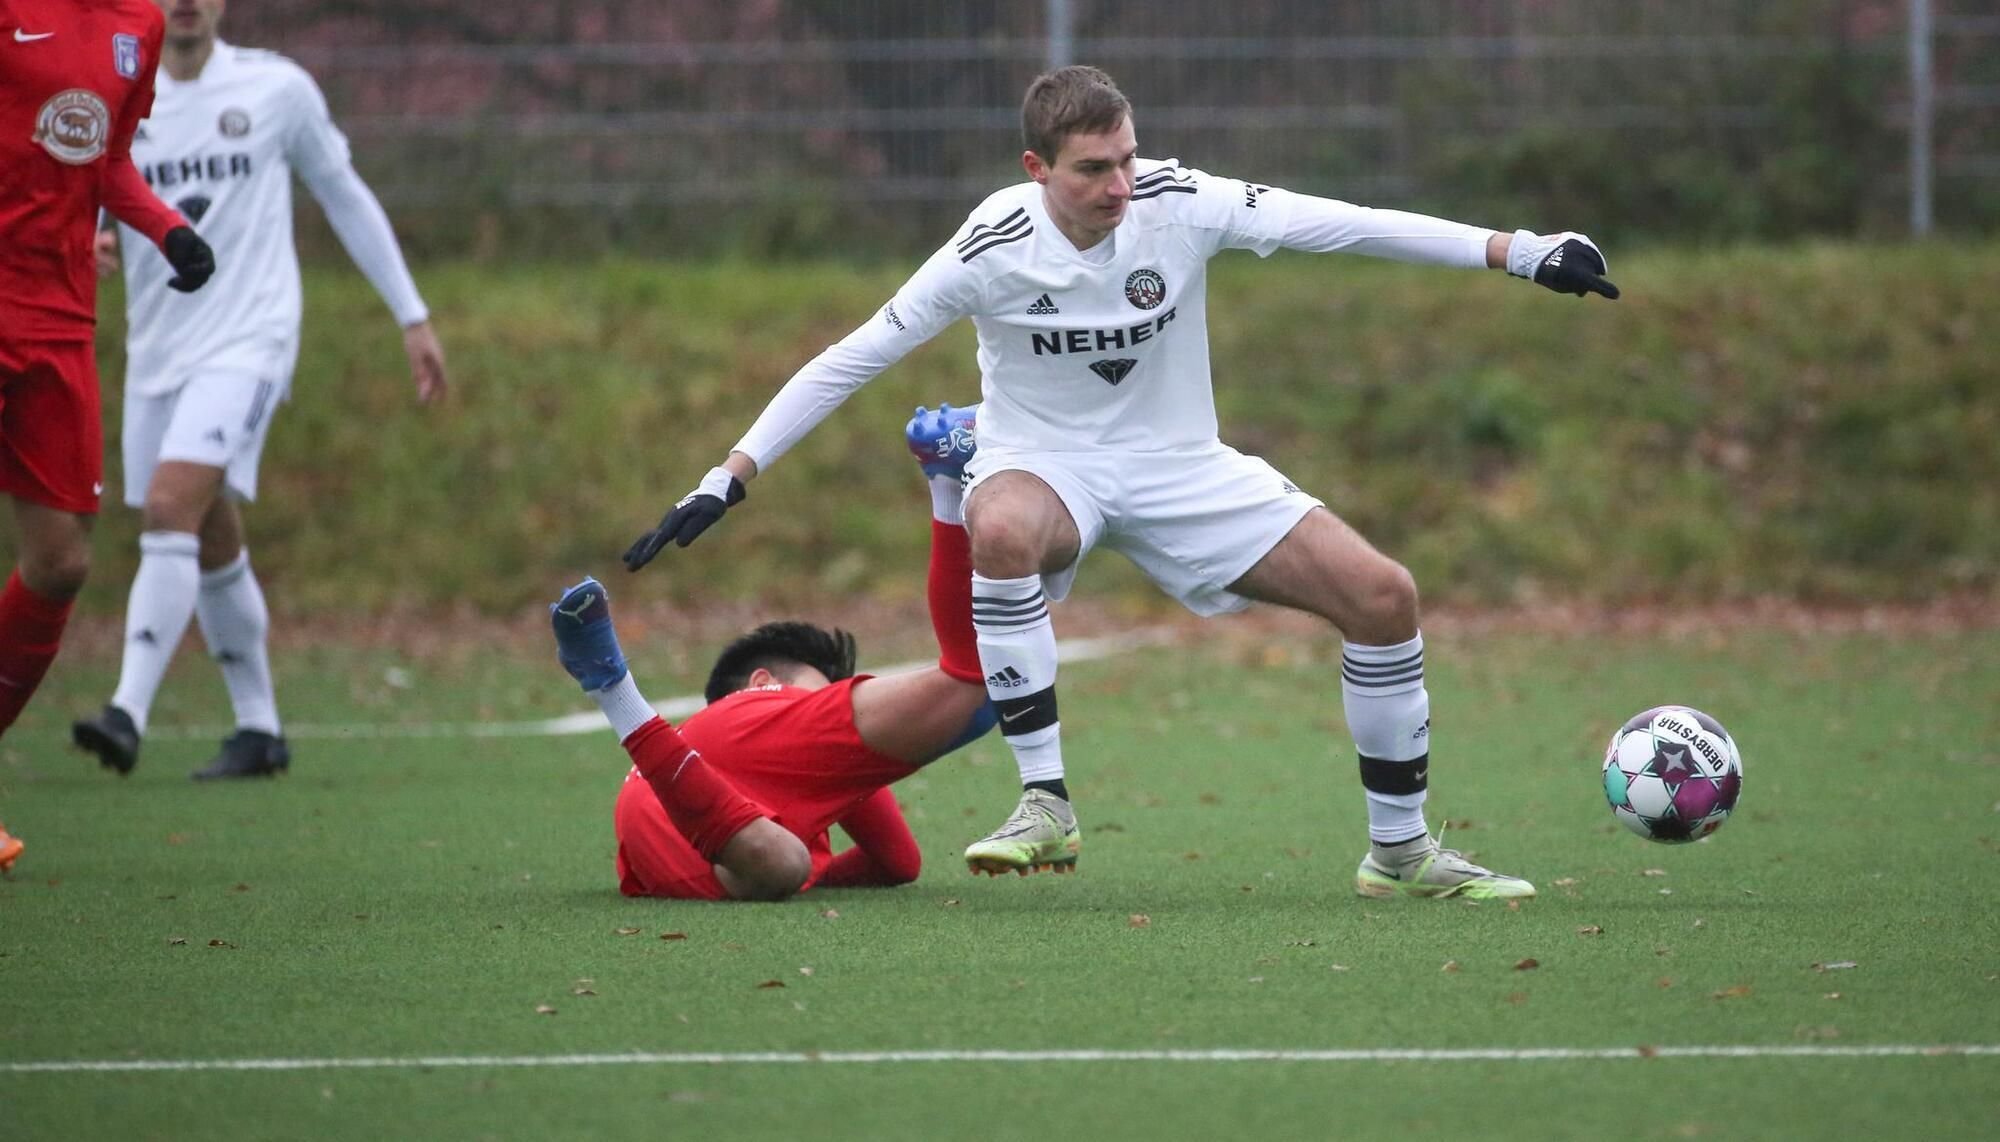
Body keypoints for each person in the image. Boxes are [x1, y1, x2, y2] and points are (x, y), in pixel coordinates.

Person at [624, 66, 1623, 900]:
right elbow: (854, 355)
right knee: (998, 525)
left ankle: (1399, 852)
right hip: (1044, 464)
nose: (1118, 184)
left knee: (1383, 595)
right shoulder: (989, 245)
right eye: (1093, 168)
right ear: (1037, 170)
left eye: (1126, 159)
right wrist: (729, 474)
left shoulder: (1178, 202)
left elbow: (1343, 224)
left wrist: (1519, 253)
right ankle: (1044, 804)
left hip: (1180, 464)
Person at [71, 0, 447, 781]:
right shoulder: (114, 95)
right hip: (158, 349)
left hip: (252, 339)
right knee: (205, 527)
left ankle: (127, 711)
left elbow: (343, 193)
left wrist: (412, 315)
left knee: (171, 506)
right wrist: (88, 240)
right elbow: (78, 196)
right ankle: (260, 728)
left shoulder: (277, 89)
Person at [554, 406, 998, 900]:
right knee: (980, 690)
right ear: (763, 683)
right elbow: (899, 858)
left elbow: (898, 862)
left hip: (676, 847)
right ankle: (947, 482)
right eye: (823, 691)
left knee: (786, 864)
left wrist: (815, 877)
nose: (836, 698)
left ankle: (616, 693)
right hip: (718, 774)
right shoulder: (763, 718)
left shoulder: (751, 779)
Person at [2, 0, 218, 869]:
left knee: (60, 562)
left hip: (60, 324)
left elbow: (107, 159)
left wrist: (167, 229)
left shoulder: (141, 24)